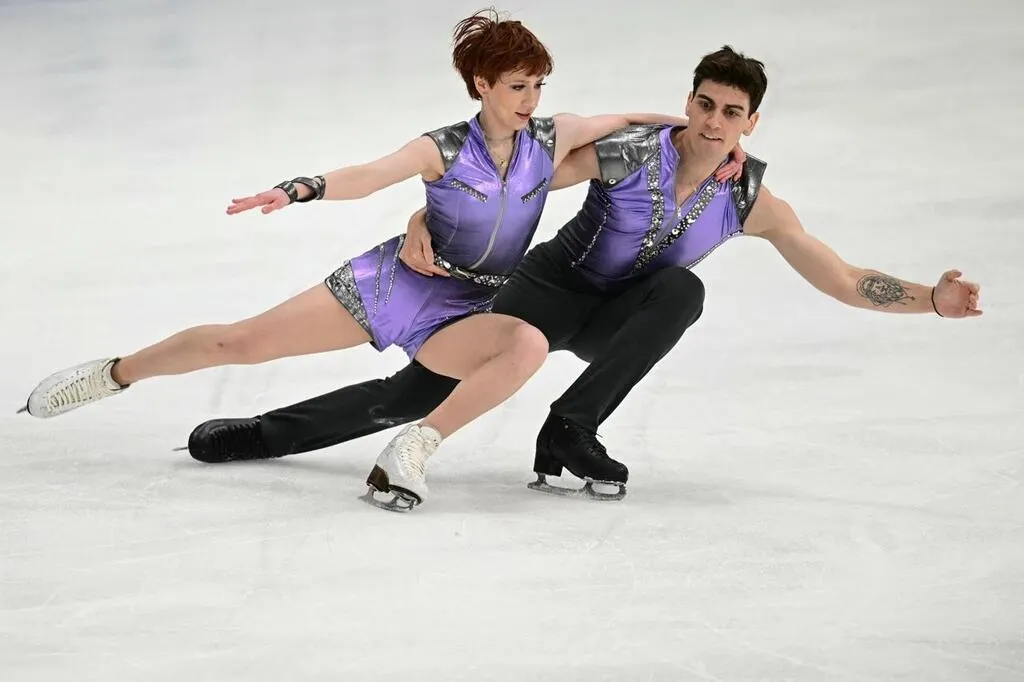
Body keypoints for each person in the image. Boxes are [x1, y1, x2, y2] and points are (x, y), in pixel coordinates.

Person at [16, 10, 744, 513]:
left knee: (523, 343)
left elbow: (652, 124)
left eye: (538, 85)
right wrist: (298, 189)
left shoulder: (553, 140)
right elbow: (370, 172)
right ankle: (112, 374)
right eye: (518, 85)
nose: (532, 99)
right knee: (238, 341)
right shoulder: (443, 147)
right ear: (481, 86)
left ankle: (413, 451)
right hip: (396, 284)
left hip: (470, 306)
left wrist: (721, 142)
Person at [185, 44, 982, 502]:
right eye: (704, 104)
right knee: (410, 395)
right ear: (691, 102)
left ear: (752, 121)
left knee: (683, 290)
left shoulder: (748, 199)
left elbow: (841, 277)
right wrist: (426, 215)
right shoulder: (626, 153)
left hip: (616, 323)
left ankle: (571, 430)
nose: (712, 121)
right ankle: (265, 434)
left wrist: (932, 303)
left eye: (731, 112)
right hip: (543, 290)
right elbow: (507, 183)